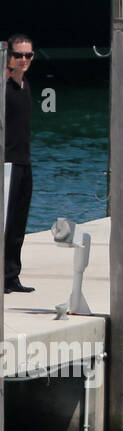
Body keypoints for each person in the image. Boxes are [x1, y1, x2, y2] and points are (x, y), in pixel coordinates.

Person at [4, 34, 35, 293]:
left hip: (24, 162)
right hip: (6, 164)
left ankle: (11, 276)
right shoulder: (2, 86)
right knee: (3, 221)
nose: (23, 60)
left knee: (18, 223)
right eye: (19, 55)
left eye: (28, 55)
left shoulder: (26, 86)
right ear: (8, 56)